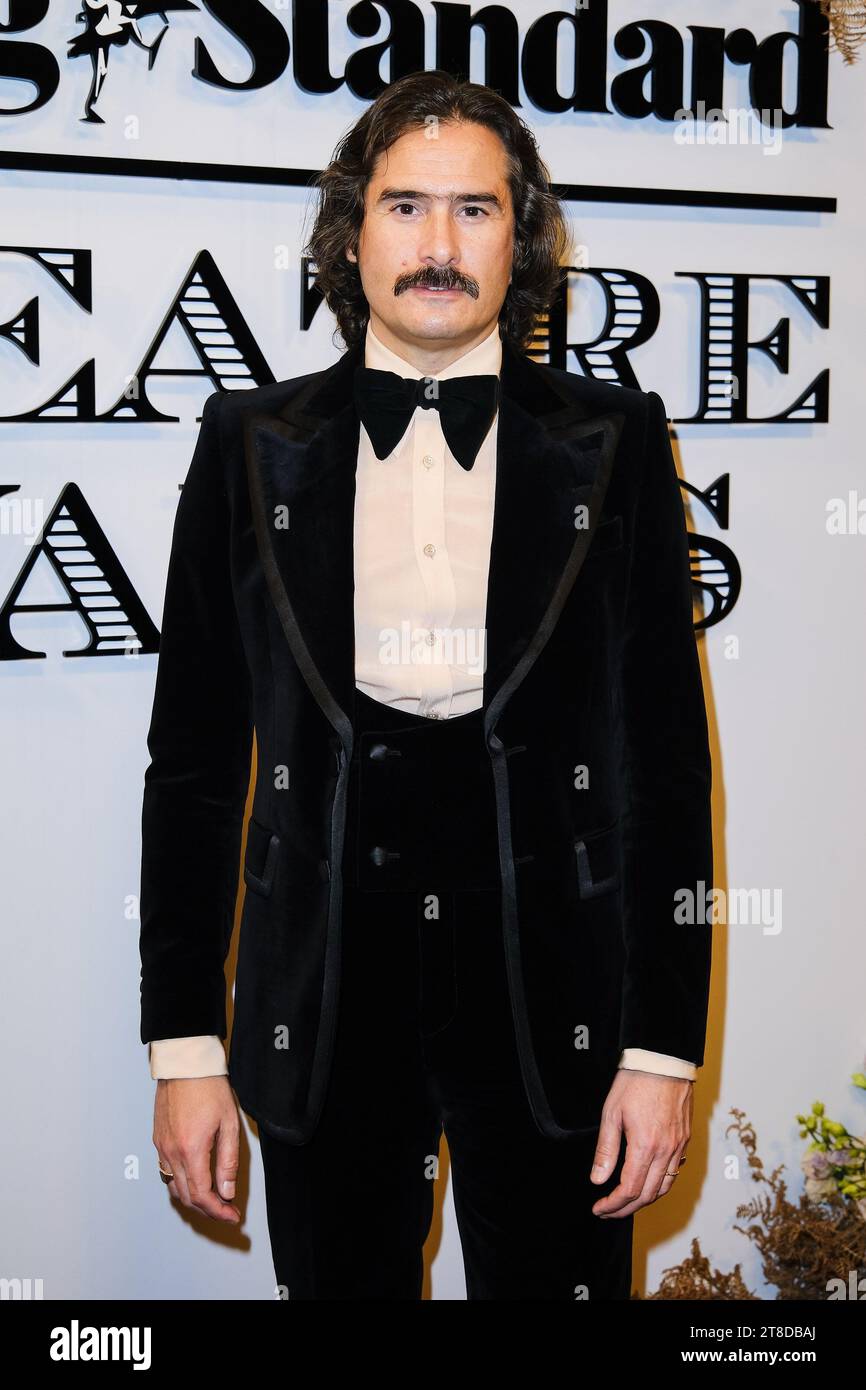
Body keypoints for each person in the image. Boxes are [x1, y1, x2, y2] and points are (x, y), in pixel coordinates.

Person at [139, 69, 713, 1300]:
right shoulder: (247, 444)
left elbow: (663, 771)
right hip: (326, 993)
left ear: (523, 239)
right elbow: (189, 772)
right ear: (352, 231)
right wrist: (183, 1046)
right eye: (404, 207)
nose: (437, 246)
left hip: (551, 992)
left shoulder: (615, 440)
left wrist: (663, 1046)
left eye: (474, 210)